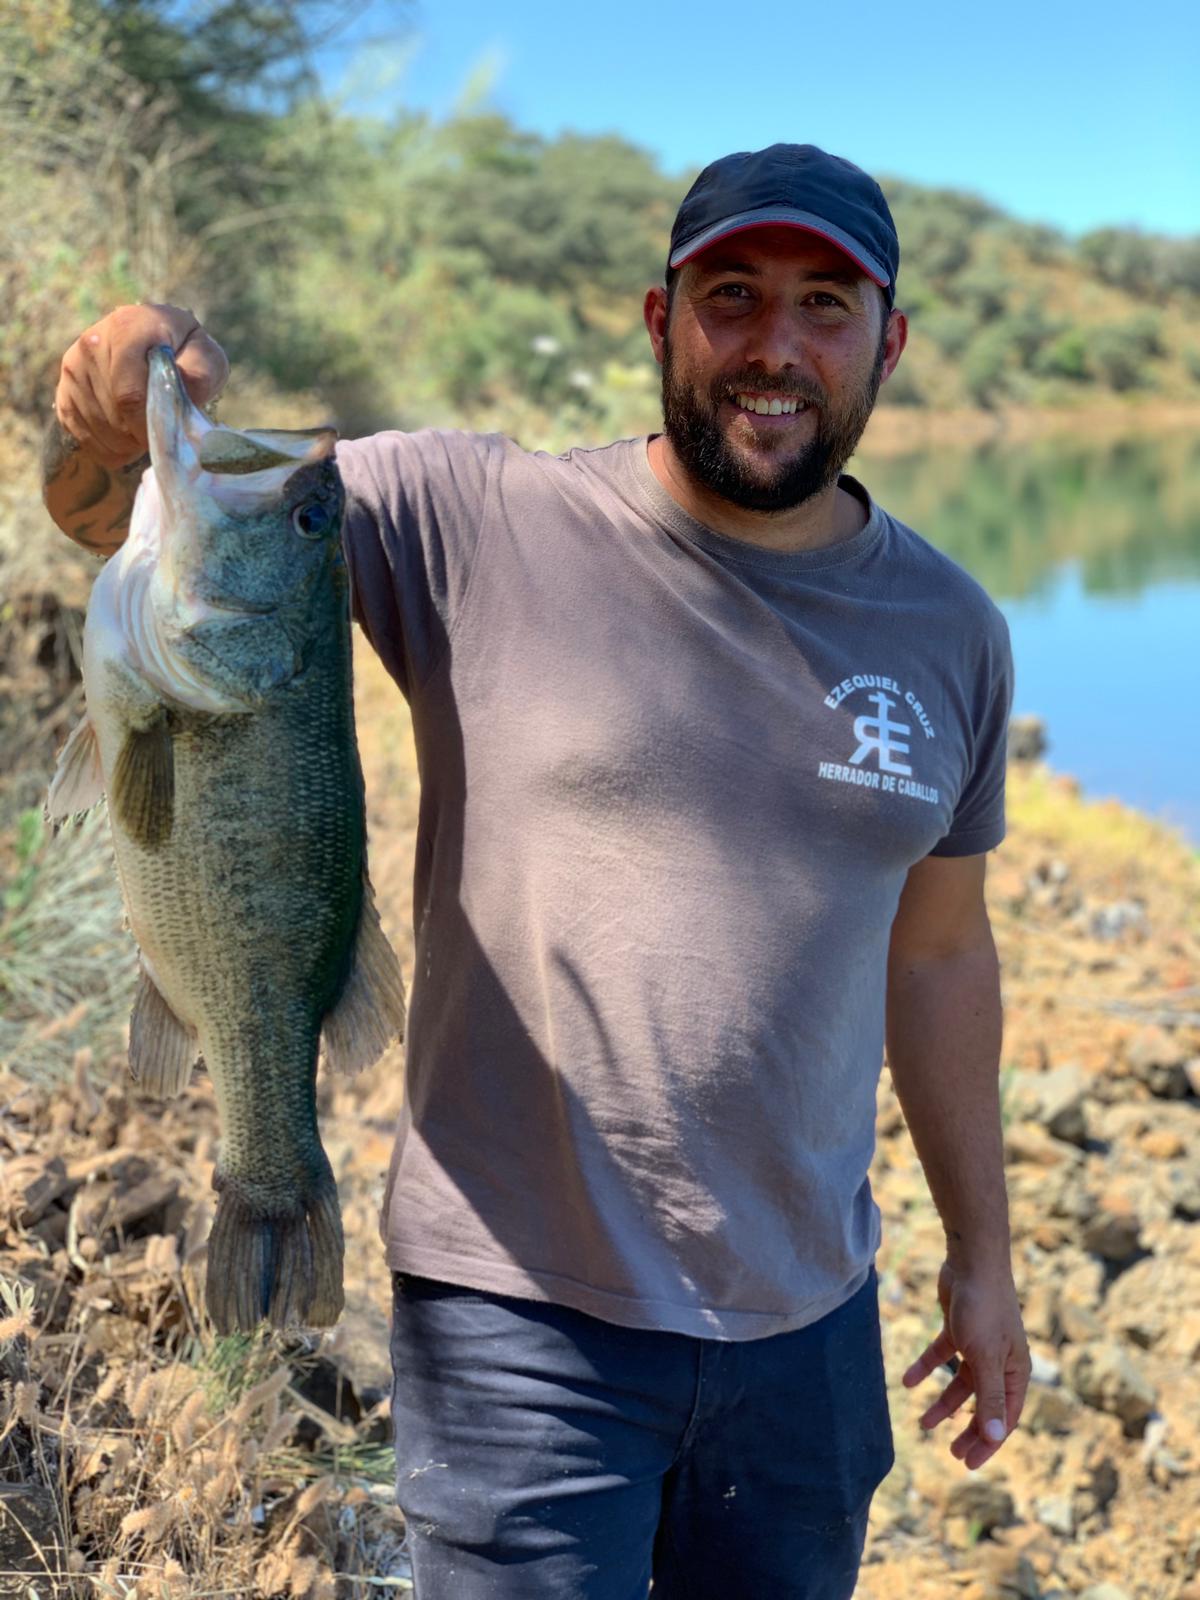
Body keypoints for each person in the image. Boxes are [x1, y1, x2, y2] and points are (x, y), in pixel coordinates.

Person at [45, 142, 1031, 1599]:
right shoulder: (477, 519)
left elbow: (942, 952)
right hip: (519, 1329)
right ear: (658, 318)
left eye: (825, 305)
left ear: (887, 341)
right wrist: (119, 382)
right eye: (733, 295)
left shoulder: (953, 629)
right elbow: (122, 507)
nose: (775, 343)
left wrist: (984, 1253)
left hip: (811, 1326)